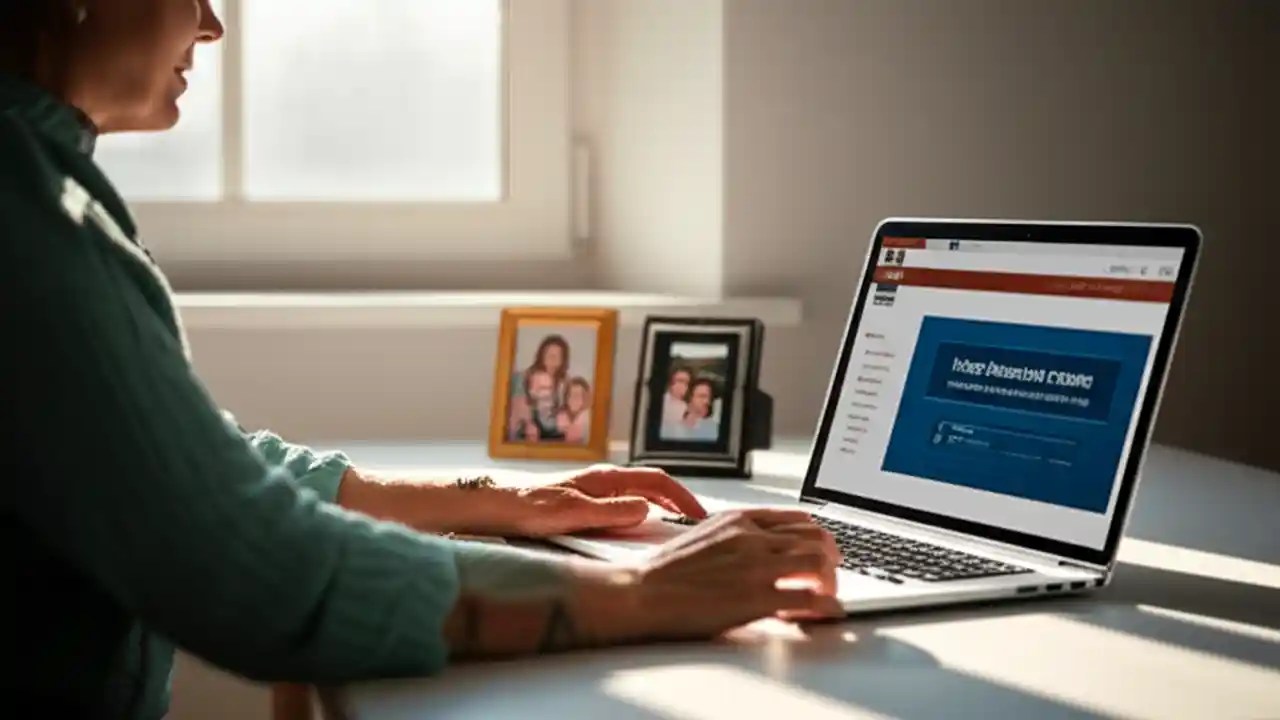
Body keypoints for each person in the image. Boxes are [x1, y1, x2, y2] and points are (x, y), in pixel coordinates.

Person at [0, 3, 839, 717]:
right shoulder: (27, 217)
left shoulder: (42, 186)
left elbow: (190, 474)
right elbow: (258, 574)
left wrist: (505, 500)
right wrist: (650, 592)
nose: (211, 25)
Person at [509, 368, 564, 442]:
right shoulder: (523, 417)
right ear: (531, 391)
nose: (548, 393)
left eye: (550, 388)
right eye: (543, 388)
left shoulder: (558, 418)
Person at [659, 366, 692, 439]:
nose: (683, 386)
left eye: (686, 383)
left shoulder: (687, 407)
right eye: (680, 381)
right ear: (671, 383)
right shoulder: (661, 402)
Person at [557, 377, 593, 444]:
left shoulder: (590, 417)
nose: (579, 401)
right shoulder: (558, 418)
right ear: (566, 398)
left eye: (582, 396)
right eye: (574, 396)